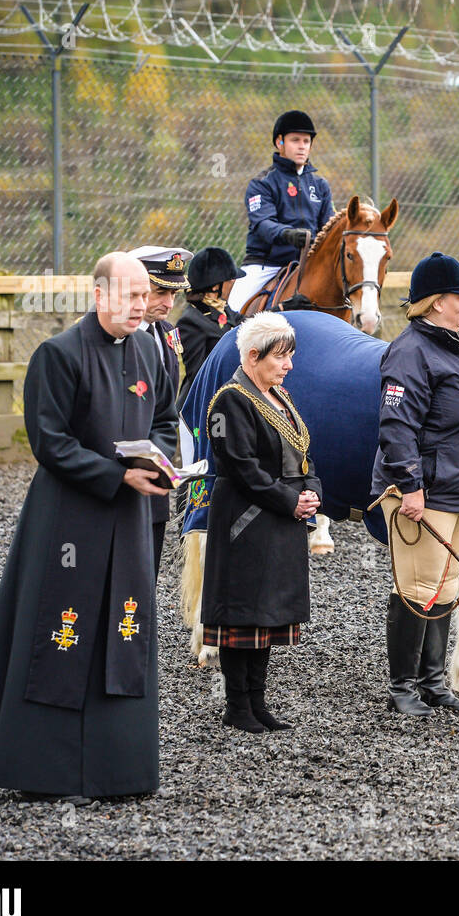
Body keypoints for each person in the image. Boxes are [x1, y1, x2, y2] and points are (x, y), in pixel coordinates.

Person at [0, 253, 176, 801]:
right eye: (130, 296)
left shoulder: (151, 349)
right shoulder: (58, 354)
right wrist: (117, 477)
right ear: (98, 295)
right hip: (70, 520)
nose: (142, 306)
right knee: (62, 633)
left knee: (123, 630)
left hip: (130, 515)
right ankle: (48, 773)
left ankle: (120, 770)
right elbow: (49, 444)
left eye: (145, 296)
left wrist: (158, 462)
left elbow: (167, 420)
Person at [372, 252, 459, 717]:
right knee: (418, 584)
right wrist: (409, 484)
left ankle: (432, 682)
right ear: (434, 302)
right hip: (424, 489)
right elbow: (396, 424)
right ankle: (402, 686)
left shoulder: (456, 347)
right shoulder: (410, 351)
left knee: (446, 587)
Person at [200, 312, 322, 732]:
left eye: (290, 356)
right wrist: (291, 500)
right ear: (253, 355)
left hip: (280, 517)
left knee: (266, 613)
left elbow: (304, 452)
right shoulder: (231, 399)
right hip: (246, 520)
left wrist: (312, 490)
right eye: (281, 357)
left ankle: (258, 702)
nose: (289, 365)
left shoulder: (280, 396)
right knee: (243, 613)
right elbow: (240, 467)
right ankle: (237, 707)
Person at [227, 110, 333, 314]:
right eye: (295, 140)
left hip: (308, 265)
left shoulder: (320, 185)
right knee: (232, 310)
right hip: (267, 265)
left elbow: (327, 225)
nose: (302, 146)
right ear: (279, 143)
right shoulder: (262, 183)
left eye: (306, 141)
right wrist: (289, 234)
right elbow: (263, 224)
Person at [128, 245, 192, 580]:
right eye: (160, 291)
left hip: (156, 467)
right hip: (116, 472)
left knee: (146, 572)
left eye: (174, 294)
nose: (169, 303)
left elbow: (166, 407)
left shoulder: (167, 333)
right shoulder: (112, 336)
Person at [176, 247, 246, 408]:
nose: (233, 282)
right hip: (203, 405)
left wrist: (283, 308)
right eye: (230, 279)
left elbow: (246, 321)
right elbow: (198, 375)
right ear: (215, 286)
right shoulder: (190, 322)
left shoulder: (222, 308)